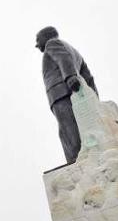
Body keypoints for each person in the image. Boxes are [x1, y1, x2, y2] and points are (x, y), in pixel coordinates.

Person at [36, 26, 98, 164]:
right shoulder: (75, 51)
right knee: (72, 127)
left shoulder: (52, 44)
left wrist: (70, 77)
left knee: (67, 129)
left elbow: (63, 58)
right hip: (71, 93)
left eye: (38, 39)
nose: (36, 45)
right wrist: (95, 99)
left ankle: (76, 161)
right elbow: (88, 77)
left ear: (46, 36)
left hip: (61, 94)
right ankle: (80, 157)